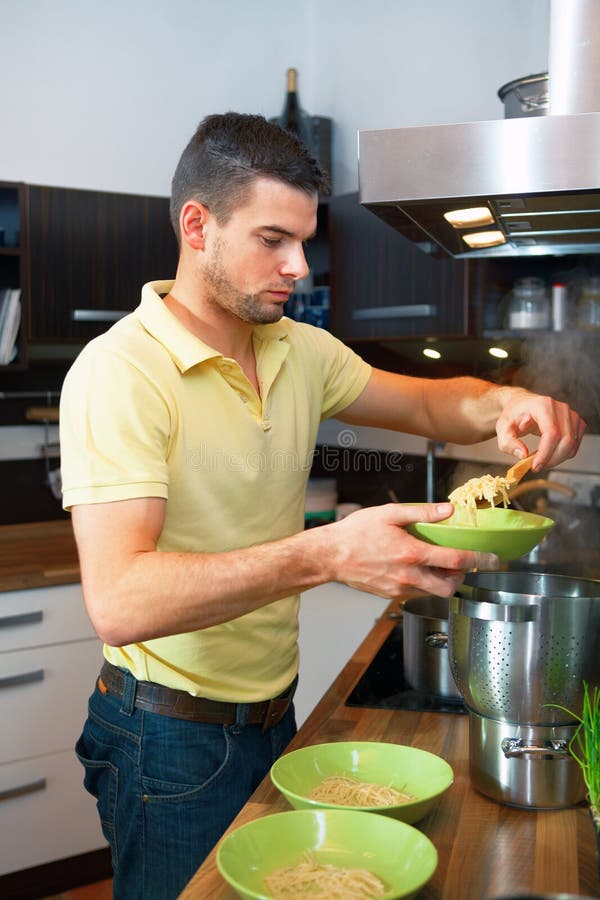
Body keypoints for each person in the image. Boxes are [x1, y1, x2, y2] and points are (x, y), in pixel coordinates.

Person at [59, 112, 585, 900]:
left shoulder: (297, 349)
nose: (298, 266)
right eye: (273, 239)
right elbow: (122, 602)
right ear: (197, 226)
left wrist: (509, 399)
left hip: (271, 713)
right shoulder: (120, 372)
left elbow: (435, 407)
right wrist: (330, 551)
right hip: (166, 737)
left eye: (304, 240)